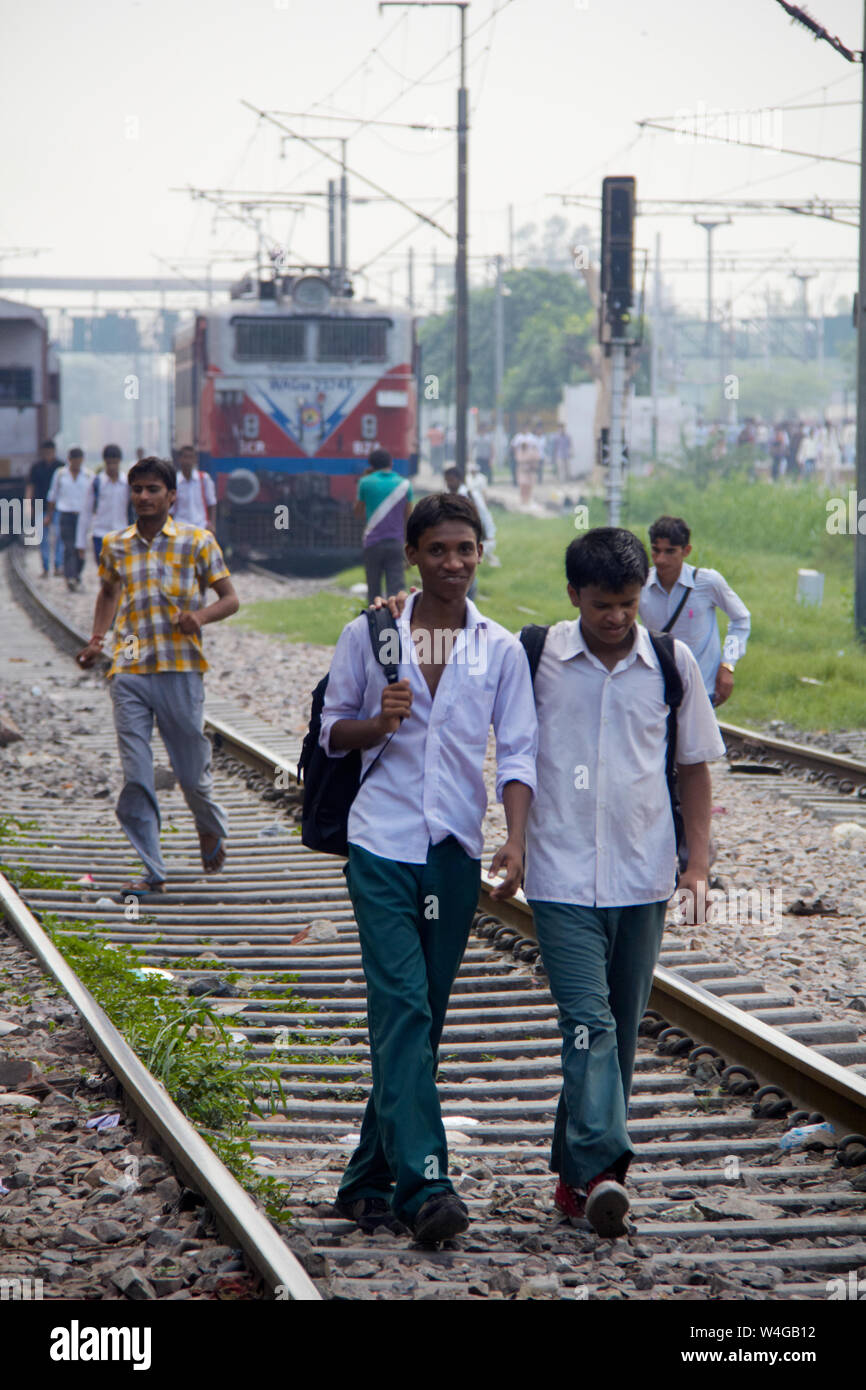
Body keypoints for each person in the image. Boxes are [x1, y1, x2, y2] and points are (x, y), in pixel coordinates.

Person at [320, 493, 537, 1242]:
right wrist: (376, 722)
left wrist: (515, 838)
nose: (453, 563)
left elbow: (517, 751)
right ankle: (427, 1184)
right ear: (411, 554)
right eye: (438, 550)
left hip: (451, 855)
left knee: (423, 1020)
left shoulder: (498, 649)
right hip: (380, 846)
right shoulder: (371, 635)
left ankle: (364, 1178)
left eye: (466, 549)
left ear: (481, 554)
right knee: (405, 1007)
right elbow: (330, 733)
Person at [523, 527, 725, 1236]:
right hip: (559, 875)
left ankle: (571, 1180)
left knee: (617, 1036)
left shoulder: (671, 665)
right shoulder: (537, 657)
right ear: (574, 594)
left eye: (629, 604)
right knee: (590, 1024)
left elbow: (694, 767)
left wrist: (698, 867)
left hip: (642, 875)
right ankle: (606, 1169)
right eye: (603, 604)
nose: (616, 618)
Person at [76, 456, 239, 898]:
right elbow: (108, 591)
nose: (143, 497)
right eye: (137, 490)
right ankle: (152, 870)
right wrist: (97, 640)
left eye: (152, 490)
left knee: (191, 773)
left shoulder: (197, 542)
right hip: (129, 669)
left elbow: (230, 599)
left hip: (180, 669)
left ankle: (208, 826)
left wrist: (199, 616)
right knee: (136, 774)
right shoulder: (115, 544)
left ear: (172, 496)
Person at [639, 515, 751, 707]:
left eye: (670, 552)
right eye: (656, 551)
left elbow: (740, 619)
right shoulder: (640, 585)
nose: (660, 559)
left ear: (686, 551)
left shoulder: (707, 583)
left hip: (701, 690)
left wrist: (727, 665)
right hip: (656, 689)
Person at [354, 447, 413, 605]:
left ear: (371, 465)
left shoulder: (365, 482)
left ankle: (375, 624)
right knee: (397, 589)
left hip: (372, 543)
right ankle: (397, 623)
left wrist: (365, 480)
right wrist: (408, 543)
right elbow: (409, 517)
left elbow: (357, 512)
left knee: (373, 590)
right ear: (391, 463)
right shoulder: (405, 484)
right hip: (396, 543)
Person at [443, 465, 500, 598]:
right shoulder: (447, 496)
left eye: (451, 480)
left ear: (459, 479)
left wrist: (489, 536)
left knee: (467, 571)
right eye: (447, 480)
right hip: (452, 540)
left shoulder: (470, 495)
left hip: (469, 540)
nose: (449, 483)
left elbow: (484, 515)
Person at [46, 447, 93, 590]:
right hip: (65, 514)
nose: (76, 463)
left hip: (82, 516)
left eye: (79, 461)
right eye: (74, 460)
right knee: (69, 546)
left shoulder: (88, 476)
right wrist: (49, 515)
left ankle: (77, 574)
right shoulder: (60, 474)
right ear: (69, 460)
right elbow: (52, 496)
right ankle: (70, 577)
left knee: (81, 546)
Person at [76, 444, 129, 566]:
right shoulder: (96, 483)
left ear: (119, 462)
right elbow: (86, 512)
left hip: (122, 535)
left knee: (119, 574)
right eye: (109, 463)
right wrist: (81, 543)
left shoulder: (127, 484)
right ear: (105, 461)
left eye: (115, 463)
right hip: (100, 535)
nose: (112, 467)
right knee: (105, 574)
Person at [25, 439, 62, 577]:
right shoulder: (36, 468)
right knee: (43, 538)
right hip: (40, 505)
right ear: (42, 452)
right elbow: (31, 486)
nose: (48, 454)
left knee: (58, 536)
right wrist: (28, 504)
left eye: (50, 452)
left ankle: (58, 565)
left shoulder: (60, 467)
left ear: (54, 452)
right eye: (46, 452)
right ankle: (46, 567)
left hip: (58, 506)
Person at [171, 445, 217, 531]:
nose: (187, 461)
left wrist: (212, 525)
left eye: (190, 457)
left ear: (195, 460)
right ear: (179, 459)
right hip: (180, 527)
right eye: (185, 457)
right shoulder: (175, 481)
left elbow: (212, 503)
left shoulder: (204, 478)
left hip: (201, 526)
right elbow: (171, 508)